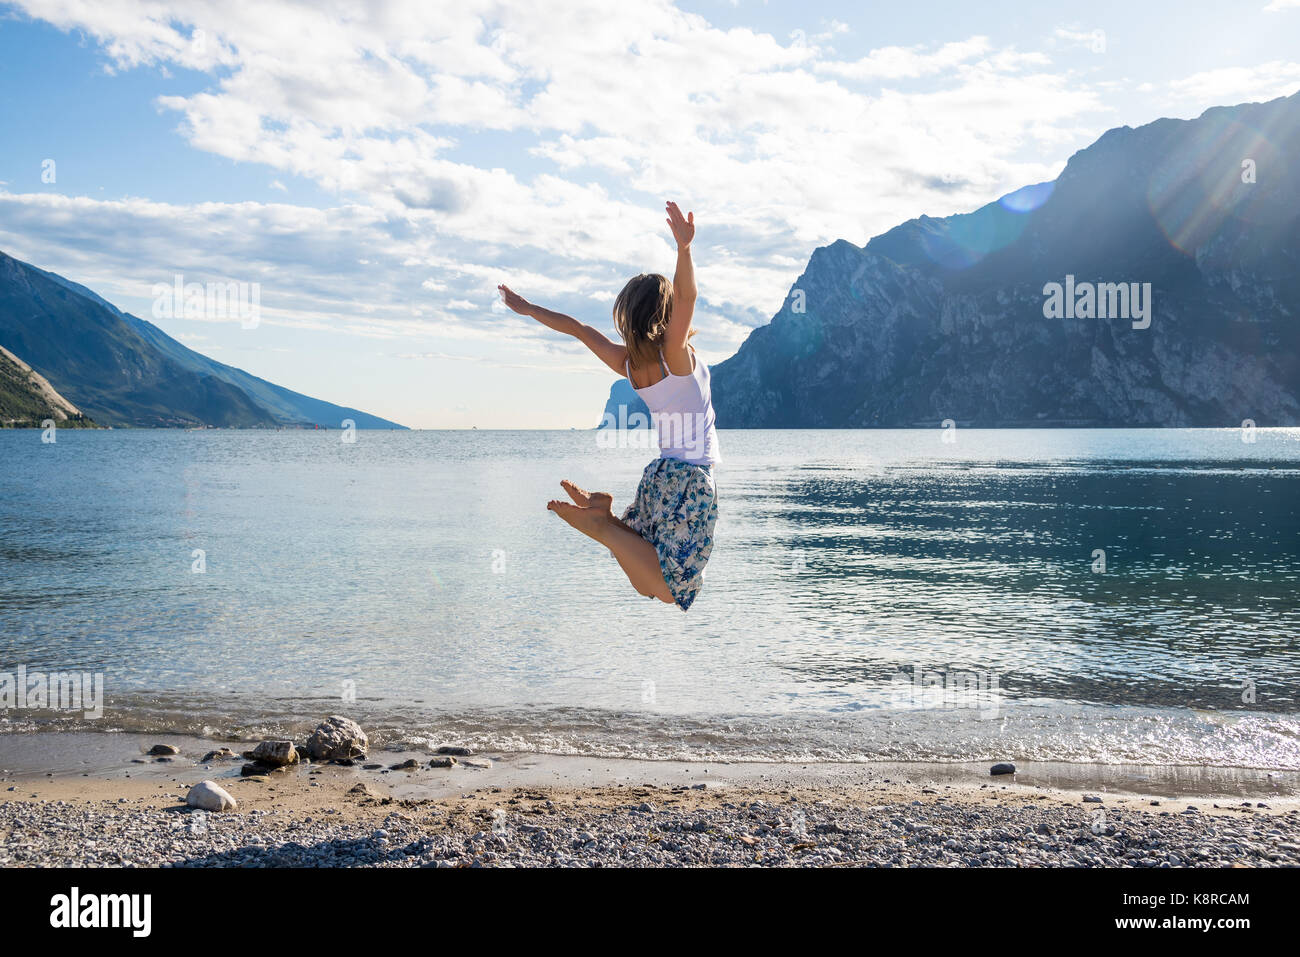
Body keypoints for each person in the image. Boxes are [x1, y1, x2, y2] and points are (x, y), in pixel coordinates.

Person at [497, 201, 719, 611]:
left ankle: (602, 515)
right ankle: (600, 525)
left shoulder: (630, 364)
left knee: (646, 582)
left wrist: (528, 309)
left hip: (661, 475)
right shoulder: (675, 353)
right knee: (672, 589)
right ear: (666, 315)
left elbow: (580, 330)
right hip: (688, 479)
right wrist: (684, 251)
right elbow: (687, 294)